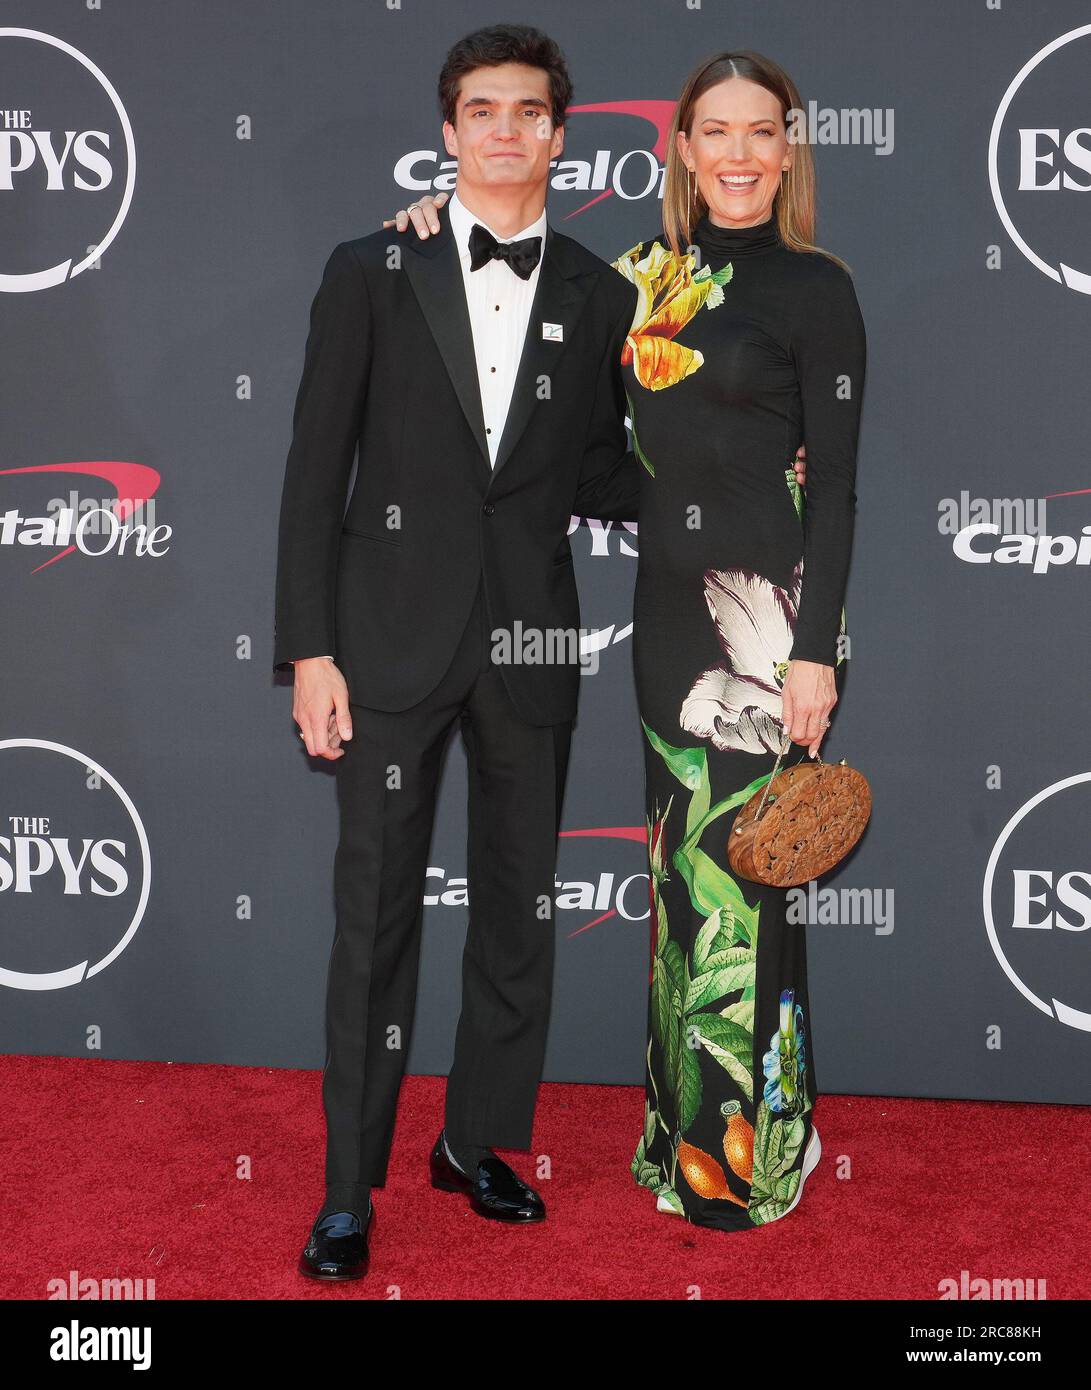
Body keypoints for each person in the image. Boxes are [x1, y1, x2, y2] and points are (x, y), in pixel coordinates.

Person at [389, 48, 865, 1231]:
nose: (739, 155)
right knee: (680, 887)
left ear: (788, 150)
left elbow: (841, 489)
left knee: (750, 886)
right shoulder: (638, 283)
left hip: (767, 629)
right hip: (664, 624)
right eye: (716, 132)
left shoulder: (818, 289)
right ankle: (677, 1141)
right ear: (683, 150)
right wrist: (427, 227)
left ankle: (754, 1156)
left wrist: (814, 650)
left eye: (762, 132)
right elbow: (576, 440)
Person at [273, 23, 645, 1280]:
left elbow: (600, 470)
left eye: (525, 110)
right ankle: (344, 1188)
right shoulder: (371, 267)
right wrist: (308, 650)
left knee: (516, 914)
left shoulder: (604, 293)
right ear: (446, 132)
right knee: (373, 919)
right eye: (478, 109)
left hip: (532, 641)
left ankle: (479, 1139)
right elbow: (313, 470)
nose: (501, 129)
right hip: (383, 642)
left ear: (556, 133)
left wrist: (741, 470)